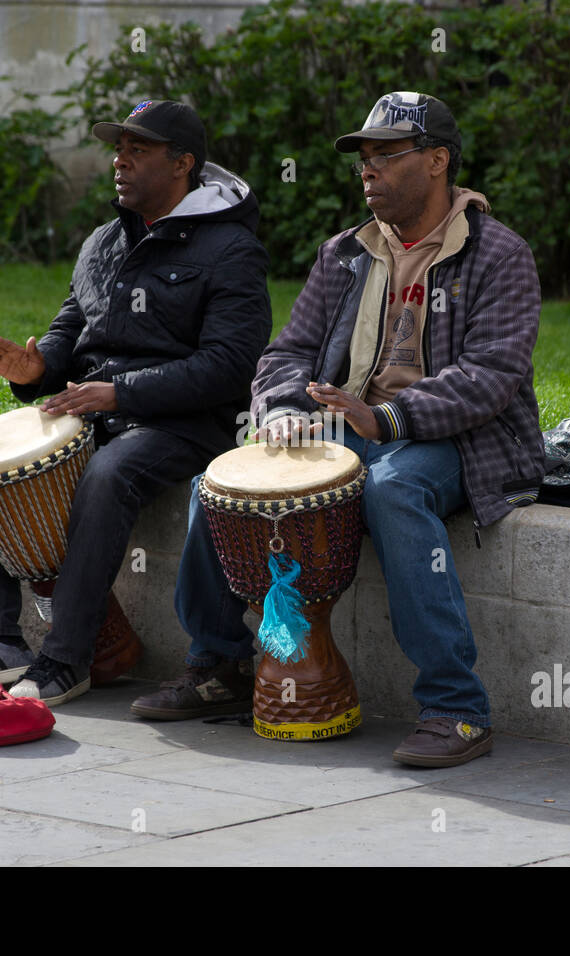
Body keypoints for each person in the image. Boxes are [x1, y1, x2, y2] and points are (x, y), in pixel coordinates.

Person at [132, 91, 546, 768]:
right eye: (363, 156)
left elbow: (492, 376)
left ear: (438, 161)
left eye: (387, 155)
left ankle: (457, 709)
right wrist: (288, 410)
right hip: (346, 423)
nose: (368, 169)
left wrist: (385, 418)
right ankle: (220, 667)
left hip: (459, 439)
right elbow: (285, 353)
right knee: (221, 484)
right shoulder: (345, 254)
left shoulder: (498, 255)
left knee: (392, 491)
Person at [0, 100, 272, 705]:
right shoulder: (102, 243)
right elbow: (72, 331)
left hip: (183, 424)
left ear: (183, 164)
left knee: (108, 473)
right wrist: (37, 370)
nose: (120, 161)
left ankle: (68, 658)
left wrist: (123, 391)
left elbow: (229, 368)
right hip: (94, 408)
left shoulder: (231, 250)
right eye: (118, 149)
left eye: (137, 150)